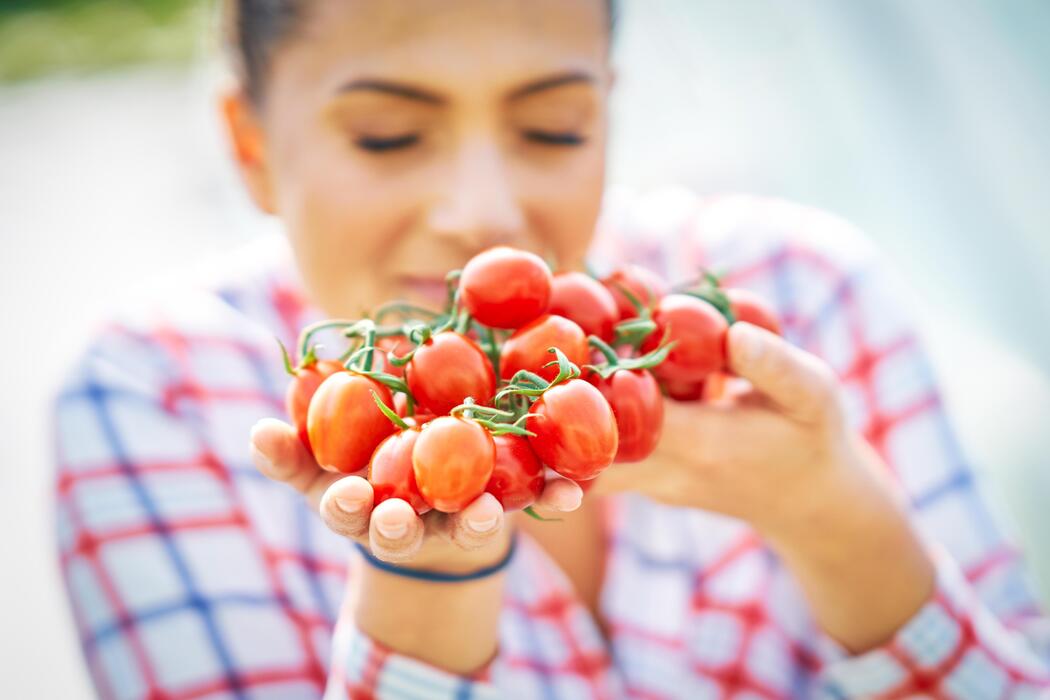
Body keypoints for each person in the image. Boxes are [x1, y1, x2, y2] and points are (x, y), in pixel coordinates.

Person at [51, 0, 1050, 697]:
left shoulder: (794, 299)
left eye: (554, 127)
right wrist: (426, 595)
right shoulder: (157, 389)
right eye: (389, 136)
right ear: (251, 144)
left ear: (608, 108)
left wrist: (831, 515)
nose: (482, 212)